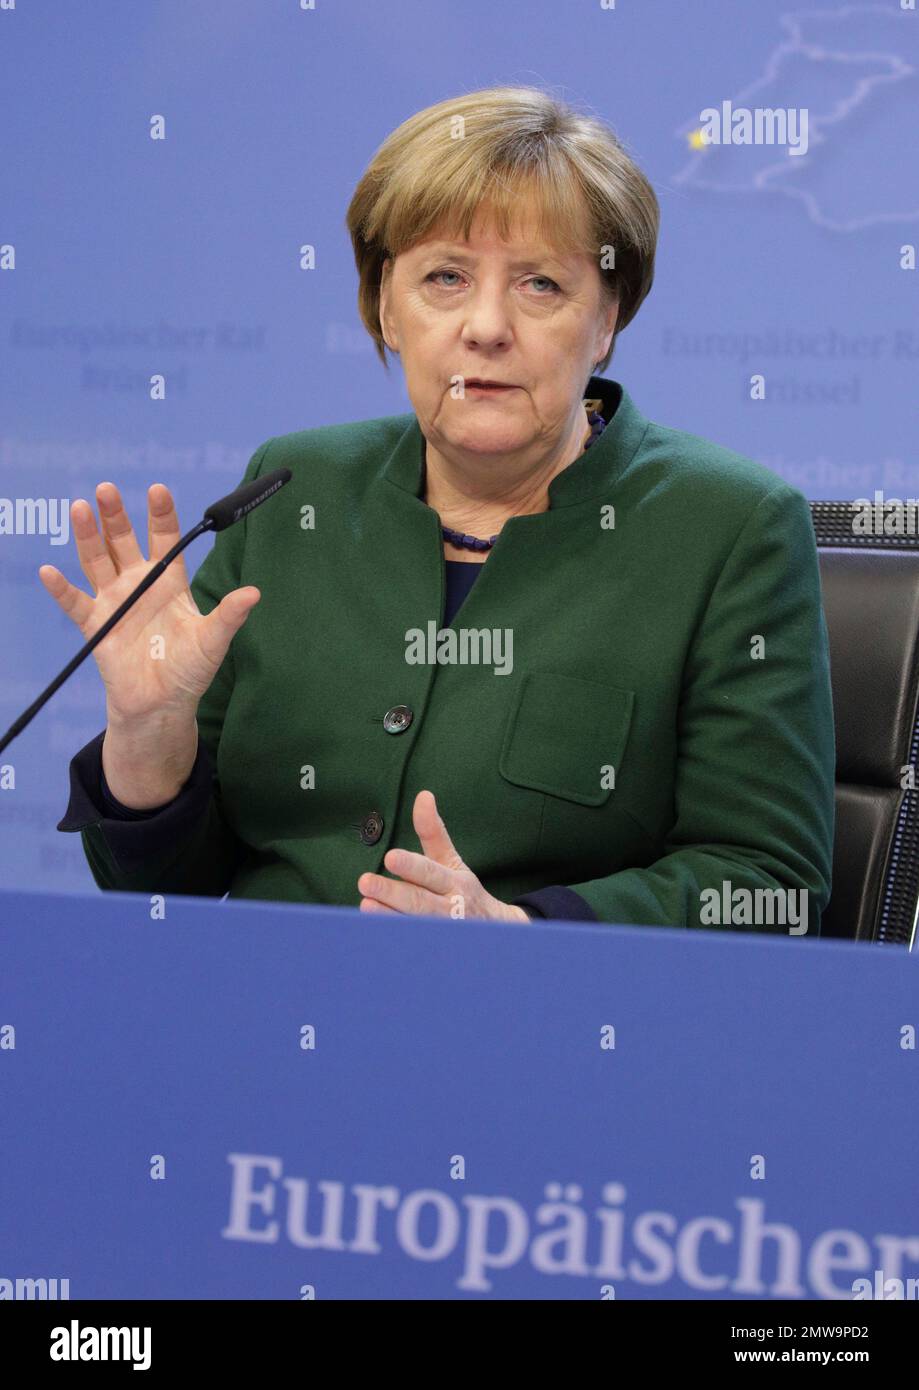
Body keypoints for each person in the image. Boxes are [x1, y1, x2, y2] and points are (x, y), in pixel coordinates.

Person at [47, 85, 835, 932]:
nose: (486, 326)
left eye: (539, 284)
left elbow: (769, 883)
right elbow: (165, 889)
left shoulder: (728, 528)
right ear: (387, 307)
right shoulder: (289, 489)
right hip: (266, 1019)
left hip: (544, 1037)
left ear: (606, 318)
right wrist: (149, 736)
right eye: (445, 278)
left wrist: (519, 934)